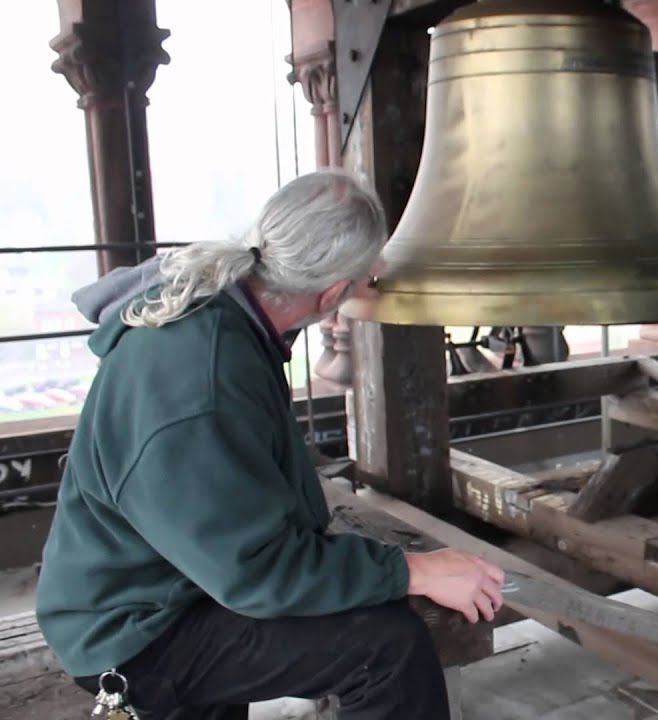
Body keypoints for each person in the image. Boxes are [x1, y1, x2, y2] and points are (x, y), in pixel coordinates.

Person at [34, 169, 503, 719]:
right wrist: (413, 570)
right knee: (384, 649)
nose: (374, 279)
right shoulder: (200, 382)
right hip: (138, 629)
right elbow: (256, 570)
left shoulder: (228, 314)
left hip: (182, 580)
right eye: (364, 276)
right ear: (329, 293)